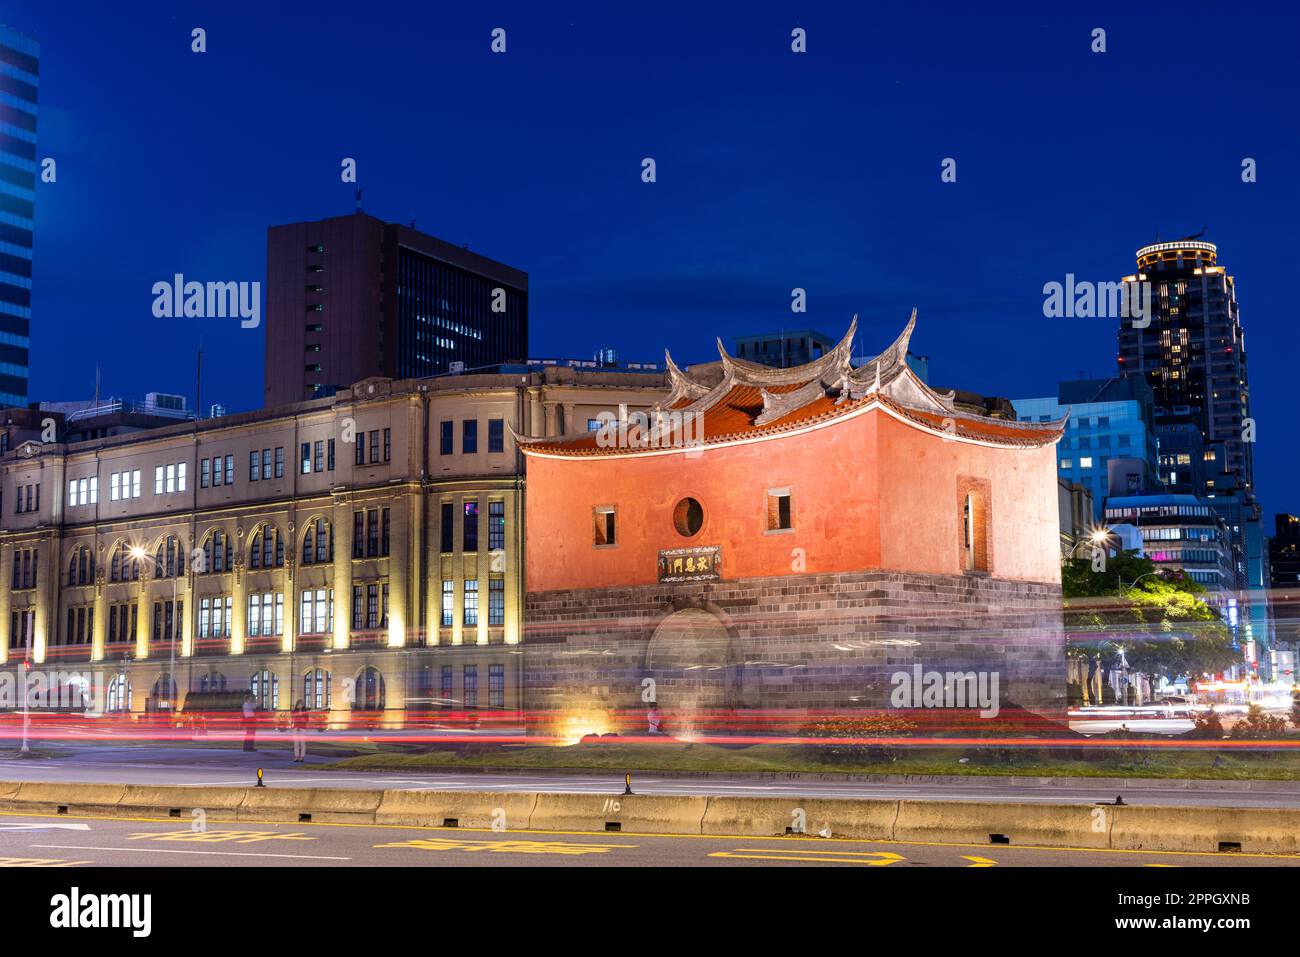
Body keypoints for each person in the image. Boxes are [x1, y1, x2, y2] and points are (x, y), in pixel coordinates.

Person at [290, 698, 308, 762]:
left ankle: (302, 757)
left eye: (301, 704)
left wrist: (302, 716)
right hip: (296, 728)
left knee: (303, 743)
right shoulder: (294, 712)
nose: (300, 706)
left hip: (302, 728)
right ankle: (296, 757)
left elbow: (306, 720)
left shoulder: (305, 712)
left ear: (303, 705)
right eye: (299, 704)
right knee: (296, 743)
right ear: (296, 705)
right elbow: (293, 720)